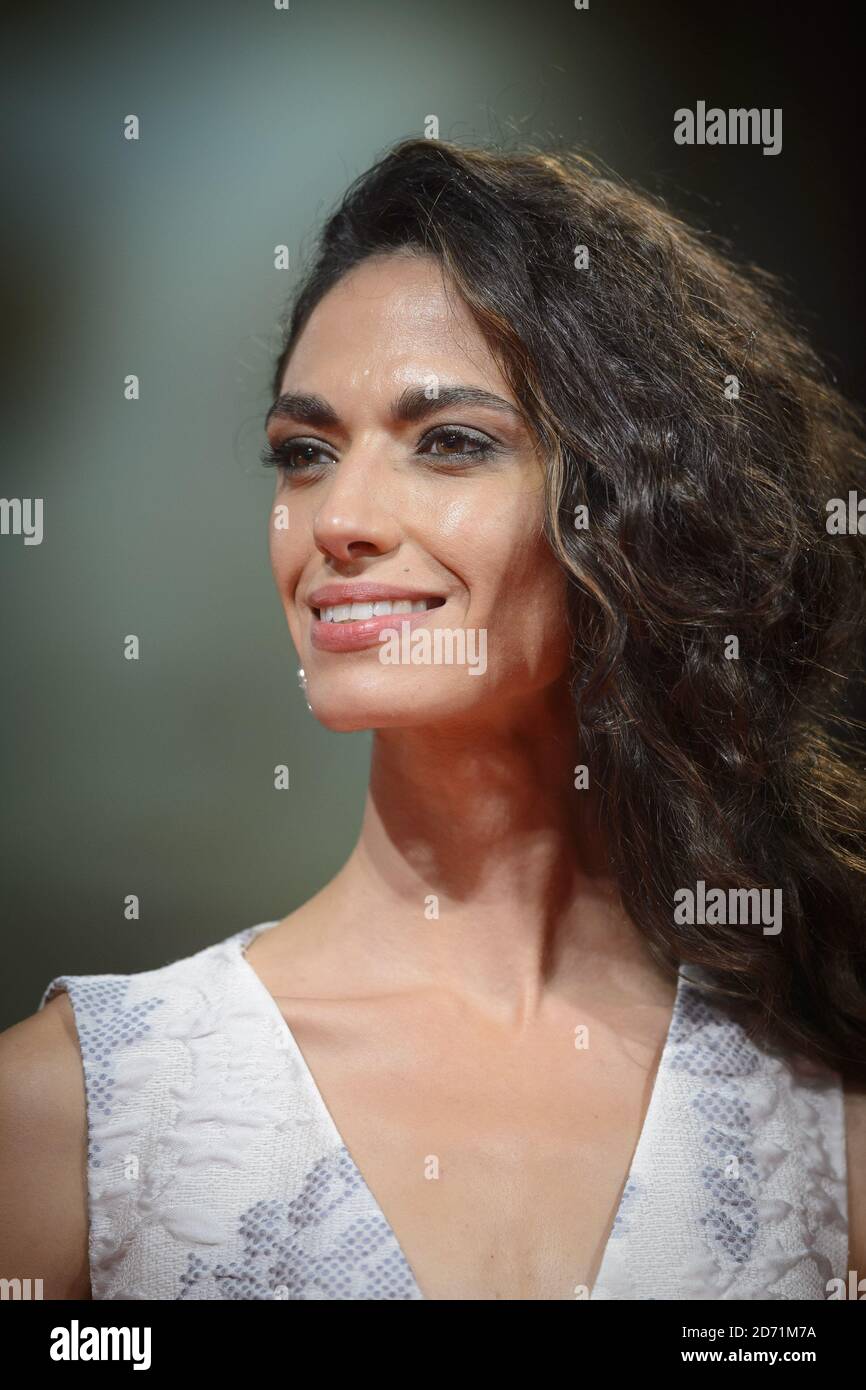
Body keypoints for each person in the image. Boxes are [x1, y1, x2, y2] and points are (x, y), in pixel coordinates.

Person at [2, 137, 865, 1300]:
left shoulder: (821, 1124)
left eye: (448, 442)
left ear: (631, 507)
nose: (336, 518)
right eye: (303, 454)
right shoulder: (75, 1116)